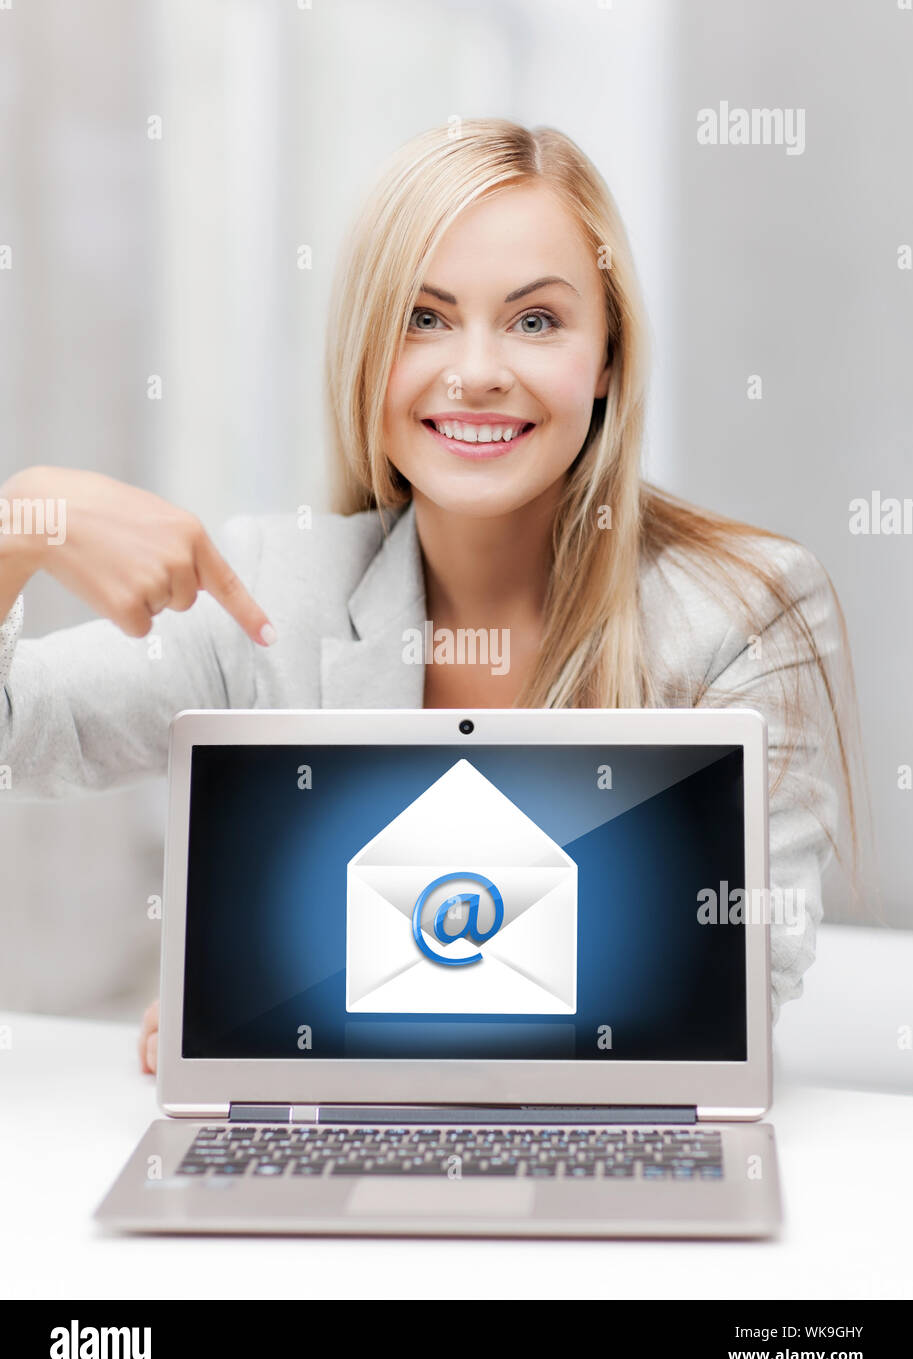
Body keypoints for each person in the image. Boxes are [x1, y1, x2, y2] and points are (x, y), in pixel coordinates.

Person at [0, 119, 863, 1078]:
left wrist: (279, 1002)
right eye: (424, 317)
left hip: (609, 1183)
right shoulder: (270, 597)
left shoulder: (746, 612)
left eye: (536, 320)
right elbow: (14, 736)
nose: (478, 371)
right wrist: (17, 522)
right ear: (367, 353)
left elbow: (741, 977)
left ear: (608, 357)